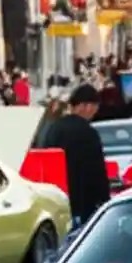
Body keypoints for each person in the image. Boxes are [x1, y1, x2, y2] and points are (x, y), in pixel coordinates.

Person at [39, 84, 110, 227]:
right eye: (95, 106)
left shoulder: (54, 128)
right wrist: (104, 200)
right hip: (83, 204)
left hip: (57, 201)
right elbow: (97, 171)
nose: (95, 112)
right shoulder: (88, 133)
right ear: (86, 106)